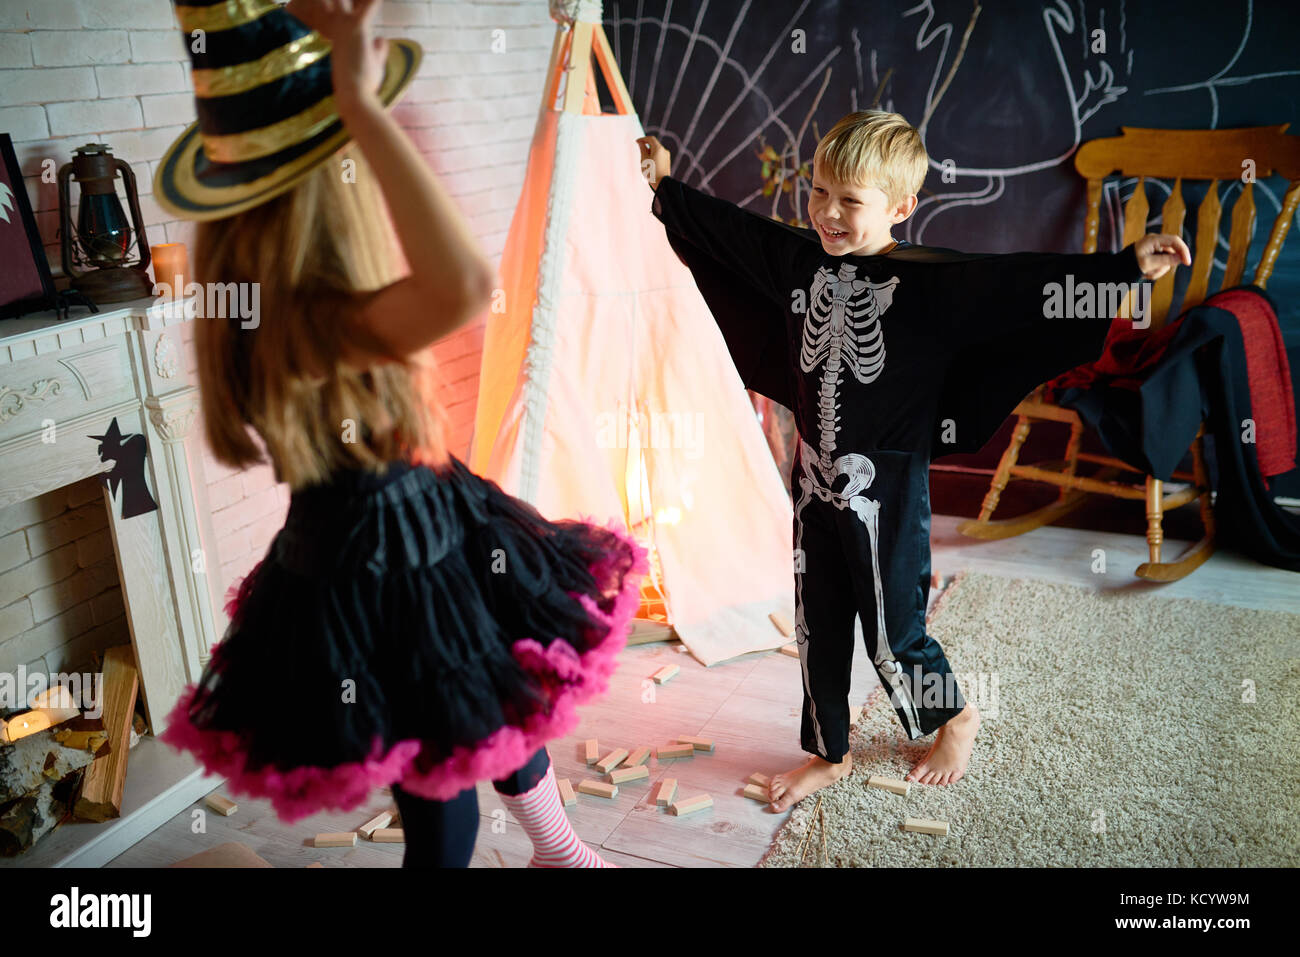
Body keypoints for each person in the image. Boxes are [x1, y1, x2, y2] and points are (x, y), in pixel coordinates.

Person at [155, 0, 647, 867]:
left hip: (426, 517)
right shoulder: (306, 321)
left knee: (498, 689)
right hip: (385, 567)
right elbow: (461, 282)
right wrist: (361, 108)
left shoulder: (299, 303)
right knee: (442, 800)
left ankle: (560, 851)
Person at [638, 110, 1190, 811]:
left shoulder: (930, 285)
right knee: (818, 620)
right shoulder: (800, 257)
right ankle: (828, 751)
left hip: (886, 481)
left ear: (901, 207)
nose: (828, 213)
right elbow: (734, 233)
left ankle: (955, 715)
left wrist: (1123, 268)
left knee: (895, 632)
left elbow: (1020, 283)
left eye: (851, 201)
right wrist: (666, 188)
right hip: (812, 476)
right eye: (819, 192)